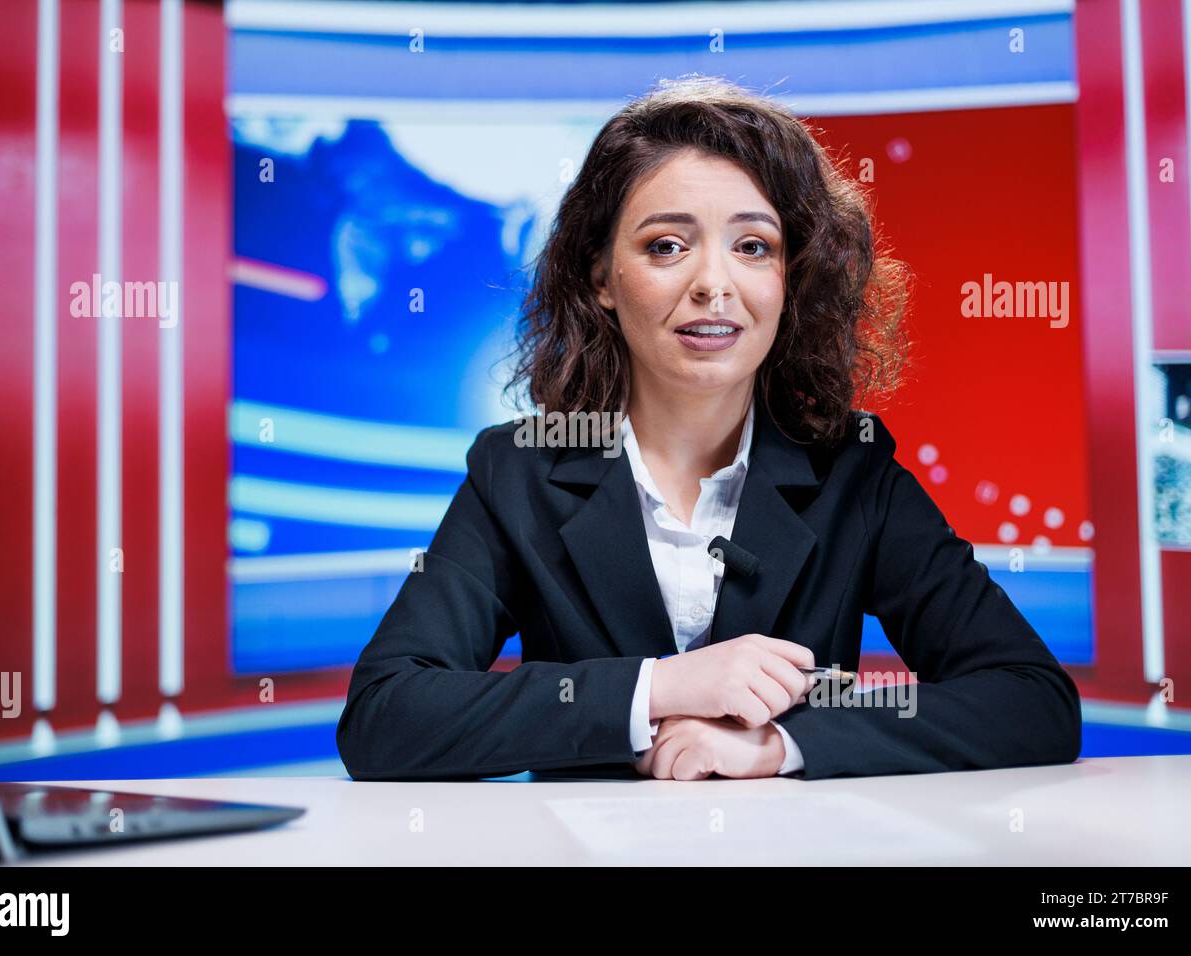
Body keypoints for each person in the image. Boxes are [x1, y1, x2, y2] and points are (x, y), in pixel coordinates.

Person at [336, 75, 1081, 781]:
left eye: (753, 246)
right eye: (666, 245)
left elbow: (1031, 701)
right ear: (600, 277)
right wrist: (658, 689)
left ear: (792, 280)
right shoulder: (519, 471)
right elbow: (385, 715)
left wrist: (782, 744)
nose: (713, 284)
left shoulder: (852, 473)